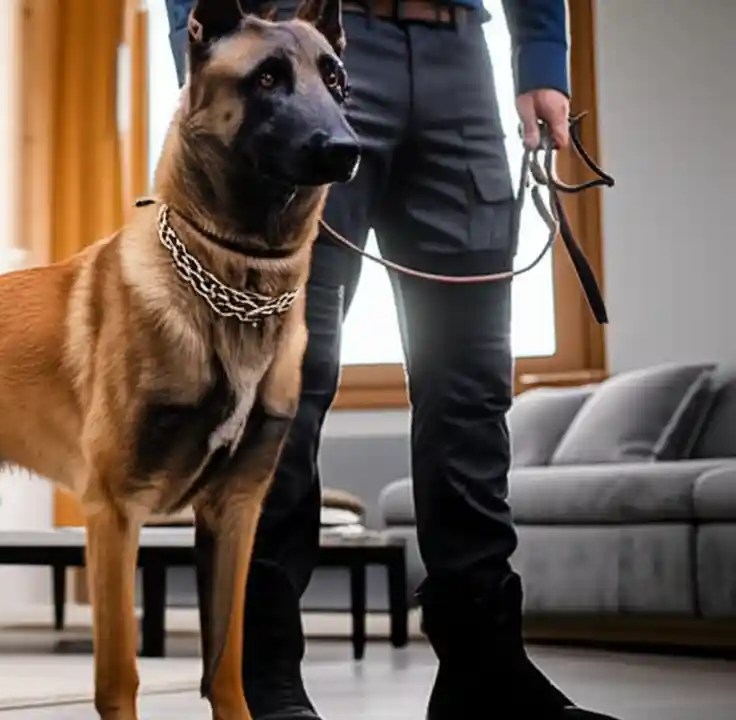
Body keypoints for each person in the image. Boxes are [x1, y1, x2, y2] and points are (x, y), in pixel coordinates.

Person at [163, 1, 620, 718]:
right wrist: (210, 49)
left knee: (470, 388)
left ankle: (485, 672)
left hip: (459, 58)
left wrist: (540, 54)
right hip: (299, 42)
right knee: (282, 391)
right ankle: (256, 677)